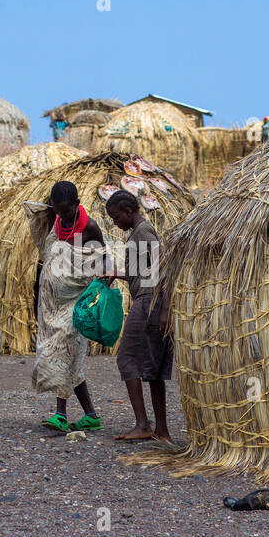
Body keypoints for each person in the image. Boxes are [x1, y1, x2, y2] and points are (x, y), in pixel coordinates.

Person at [29, 180, 105, 432]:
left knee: (63, 352)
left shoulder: (90, 228)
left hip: (76, 303)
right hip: (53, 306)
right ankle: (91, 415)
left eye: (66, 211)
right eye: (57, 210)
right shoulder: (57, 219)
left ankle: (60, 414)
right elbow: (40, 223)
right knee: (72, 362)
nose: (62, 215)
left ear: (78, 204)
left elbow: (99, 261)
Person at [104, 189, 172, 442]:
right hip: (151, 300)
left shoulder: (143, 232)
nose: (114, 222)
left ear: (128, 211)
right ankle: (162, 431)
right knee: (153, 369)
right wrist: (120, 275)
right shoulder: (139, 233)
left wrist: (165, 309)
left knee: (126, 358)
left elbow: (164, 269)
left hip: (148, 302)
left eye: (115, 216)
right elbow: (147, 271)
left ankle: (143, 424)